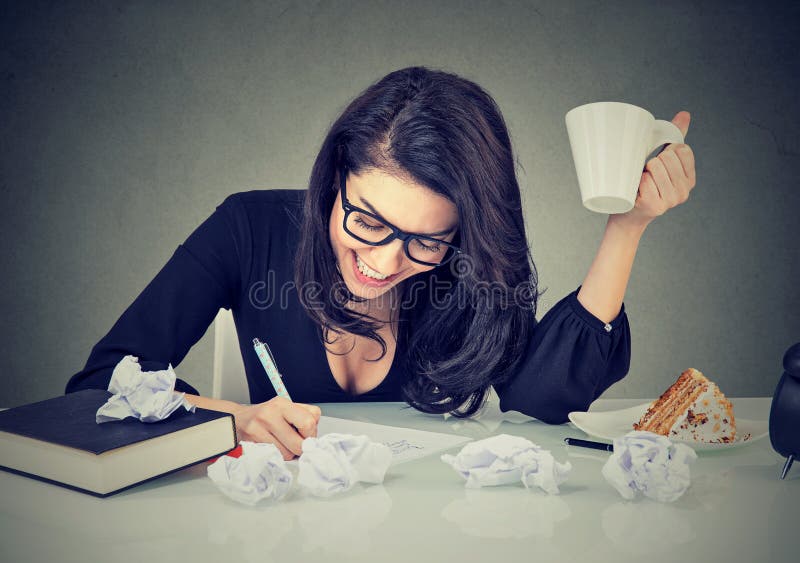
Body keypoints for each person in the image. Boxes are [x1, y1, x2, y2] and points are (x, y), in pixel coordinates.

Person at [66, 66, 696, 460]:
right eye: (366, 219)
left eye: (425, 240)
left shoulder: (462, 268)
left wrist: (627, 226)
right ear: (333, 181)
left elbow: (542, 398)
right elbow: (98, 386)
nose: (384, 261)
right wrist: (237, 419)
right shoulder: (247, 227)